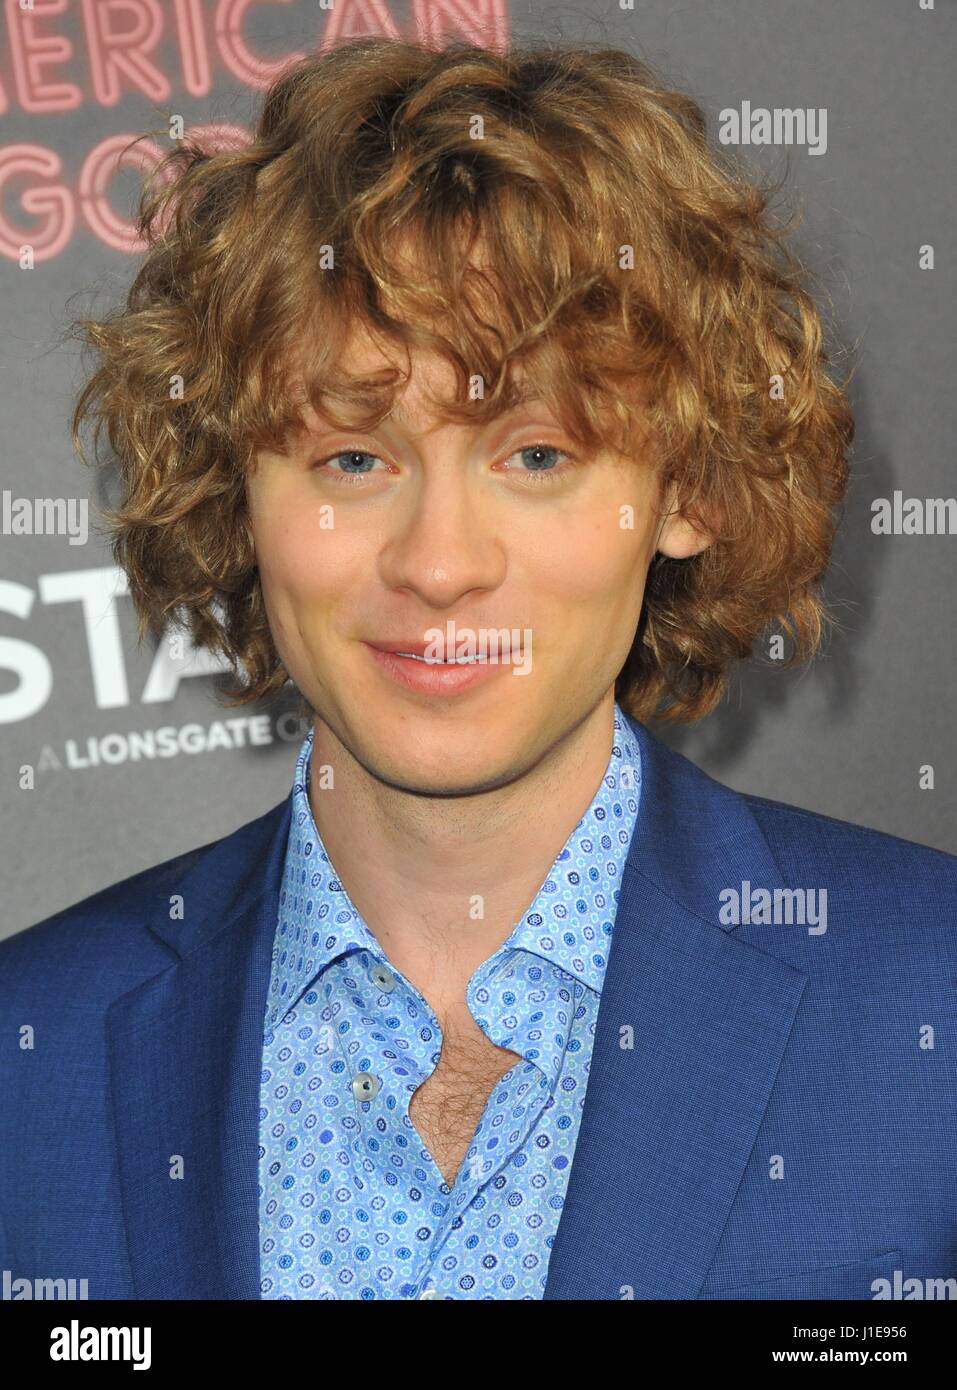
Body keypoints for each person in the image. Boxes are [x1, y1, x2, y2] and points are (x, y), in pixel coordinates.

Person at [1, 36, 954, 1303]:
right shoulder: (30, 1054)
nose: (439, 564)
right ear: (240, 494)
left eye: (538, 454)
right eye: (353, 458)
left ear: (686, 489)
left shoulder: (927, 1005)